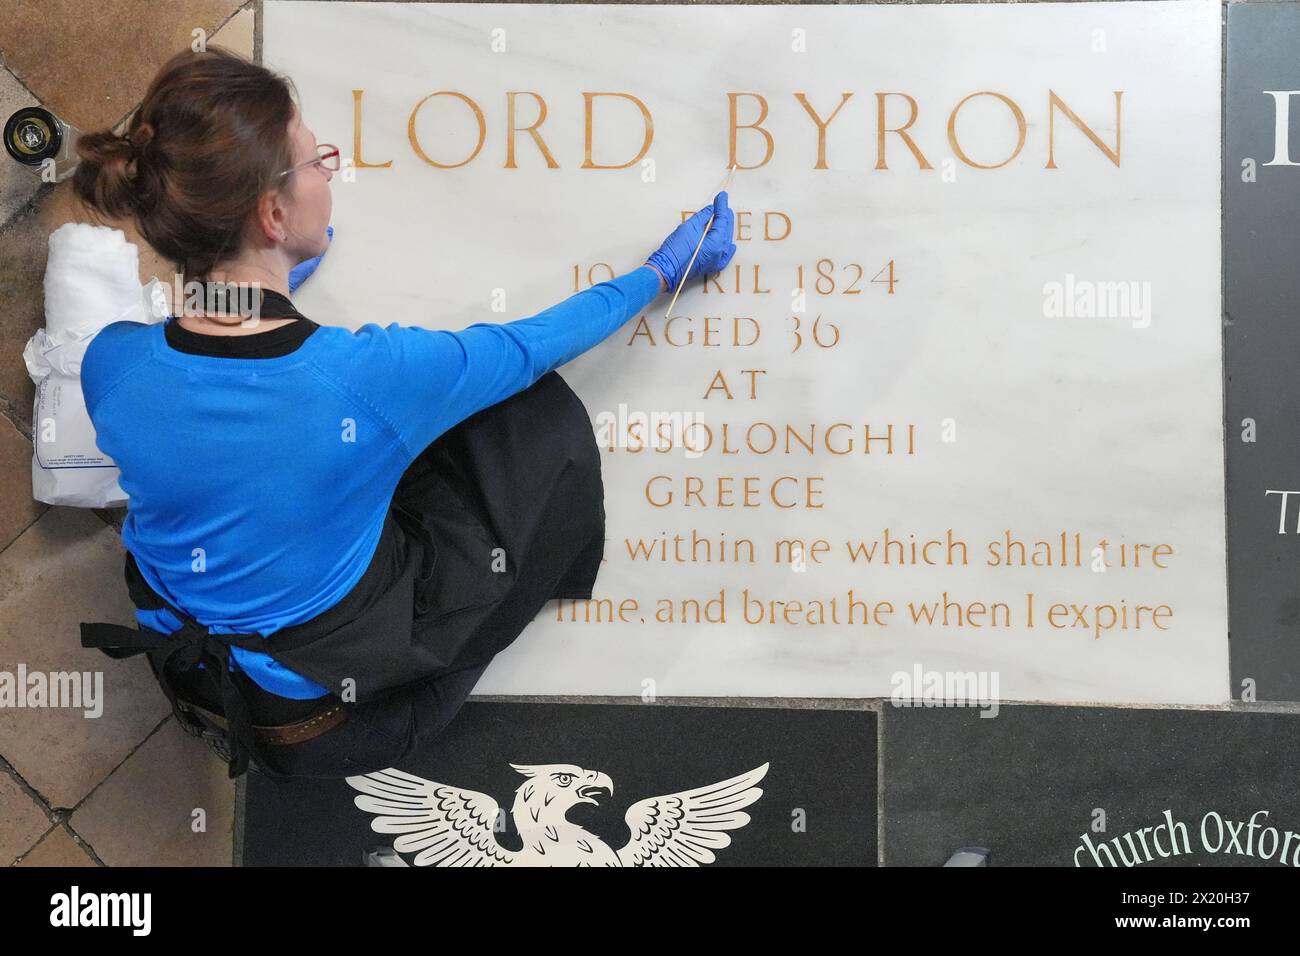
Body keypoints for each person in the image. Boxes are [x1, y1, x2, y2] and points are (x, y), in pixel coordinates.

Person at [70, 46, 736, 781]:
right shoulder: (365, 378)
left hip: (189, 670)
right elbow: (527, 347)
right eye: (315, 161)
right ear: (271, 212)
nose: (330, 172)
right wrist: (662, 272)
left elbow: (204, 353)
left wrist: (268, 283)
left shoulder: (112, 361)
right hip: (337, 729)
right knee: (532, 422)